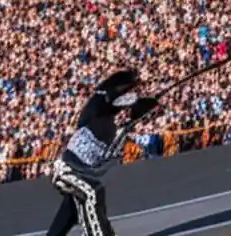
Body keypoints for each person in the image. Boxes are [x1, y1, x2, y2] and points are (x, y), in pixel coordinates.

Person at [46, 69, 158, 236]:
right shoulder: (93, 115)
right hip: (68, 170)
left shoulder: (116, 131)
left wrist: (143, 105)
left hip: (85, 173)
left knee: (72, 211)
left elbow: (132, 117)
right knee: (92, 193)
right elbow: (105, 95)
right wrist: (131, 82)